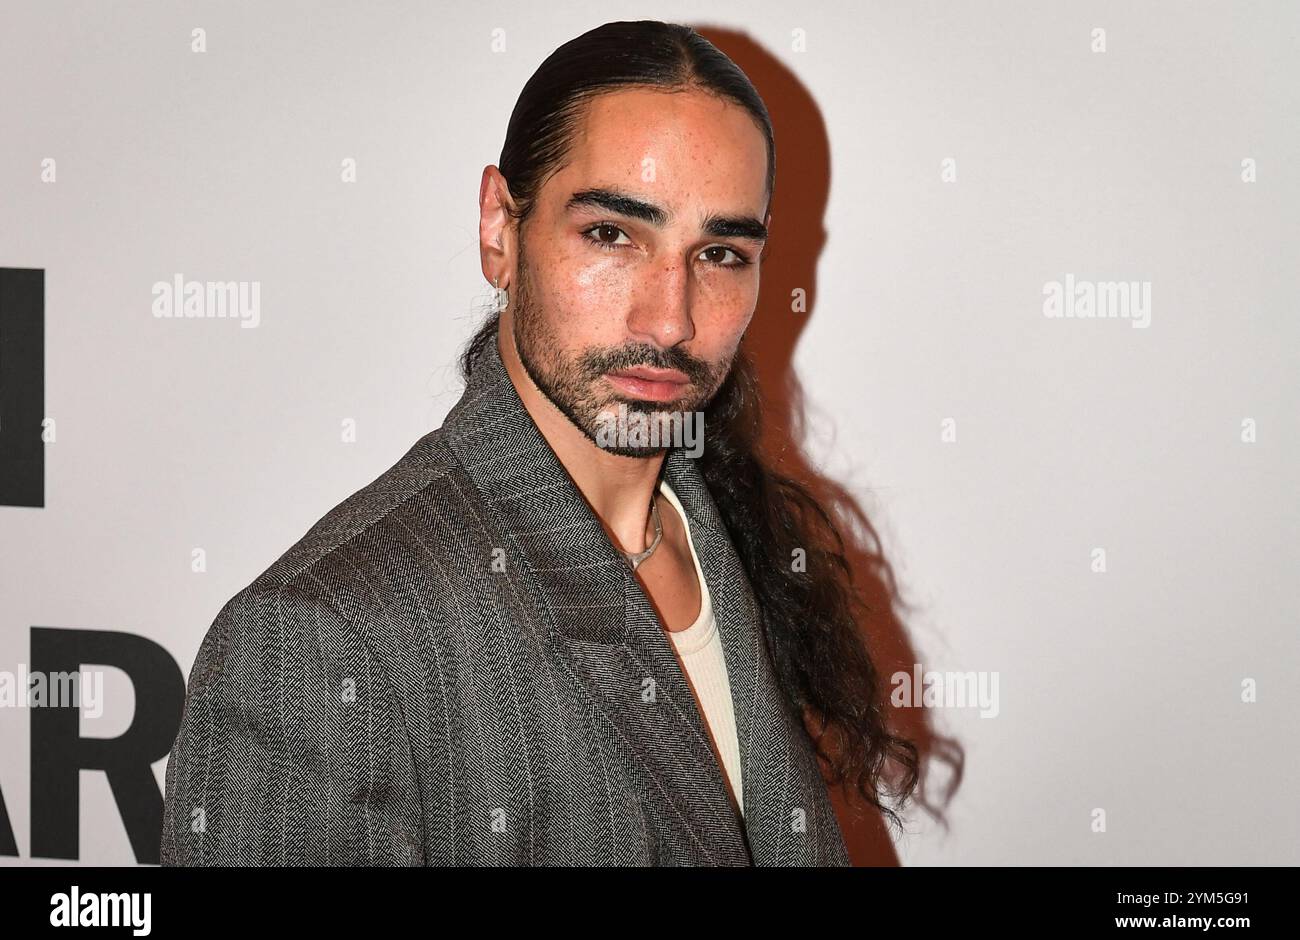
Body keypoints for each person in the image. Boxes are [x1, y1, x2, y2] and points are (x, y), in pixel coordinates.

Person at [160, 18, 916, 867]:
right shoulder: (320, 640)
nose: (670, 318)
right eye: (610, 234)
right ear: (499, 228)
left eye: (721, 252)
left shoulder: (740, 545)